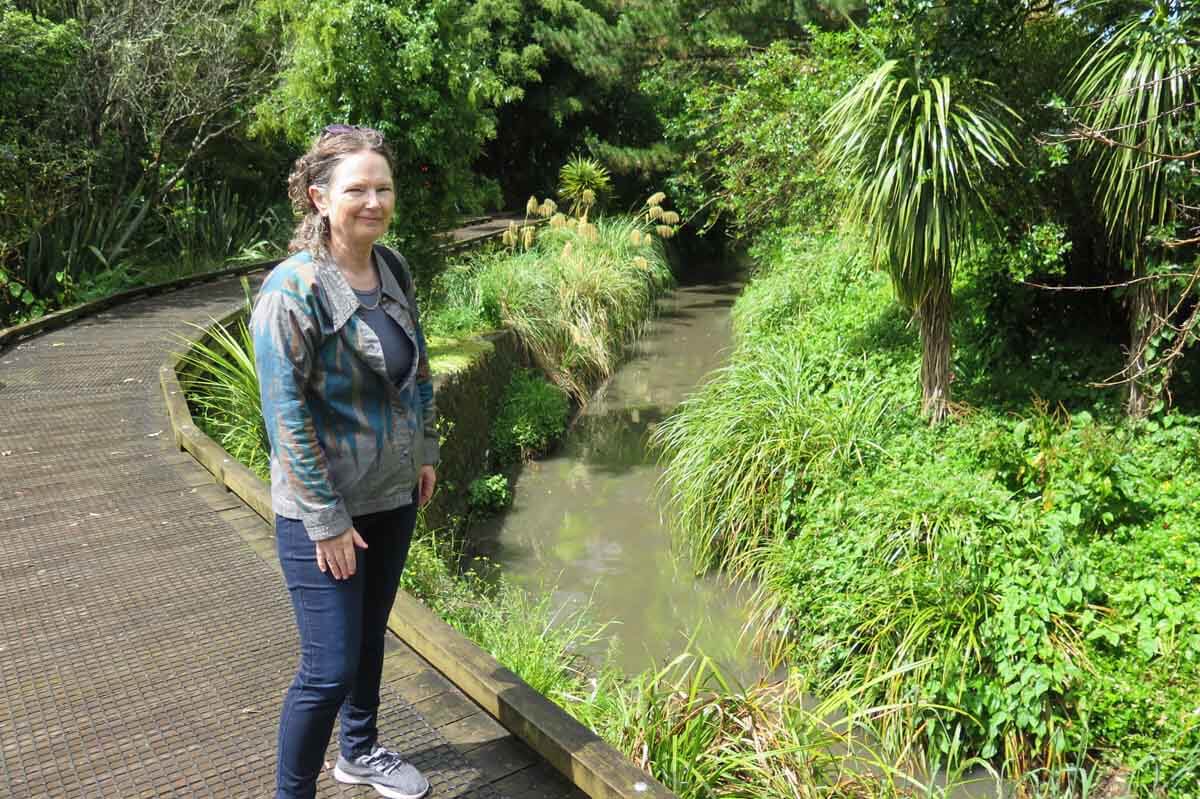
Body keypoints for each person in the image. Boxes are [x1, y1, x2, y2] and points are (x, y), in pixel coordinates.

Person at [251, 125, 438, 799]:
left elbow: (418, 367)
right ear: (319, 197)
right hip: (322, 509)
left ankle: (359, 751)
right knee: (328, 666)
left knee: (368, 639)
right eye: (356, 188)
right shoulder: (291, 290)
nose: (373, 200)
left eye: (383, 187)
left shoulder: (391, 269)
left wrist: (426, 449)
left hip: (390, 492)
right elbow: (285, 415)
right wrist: (325, 519)